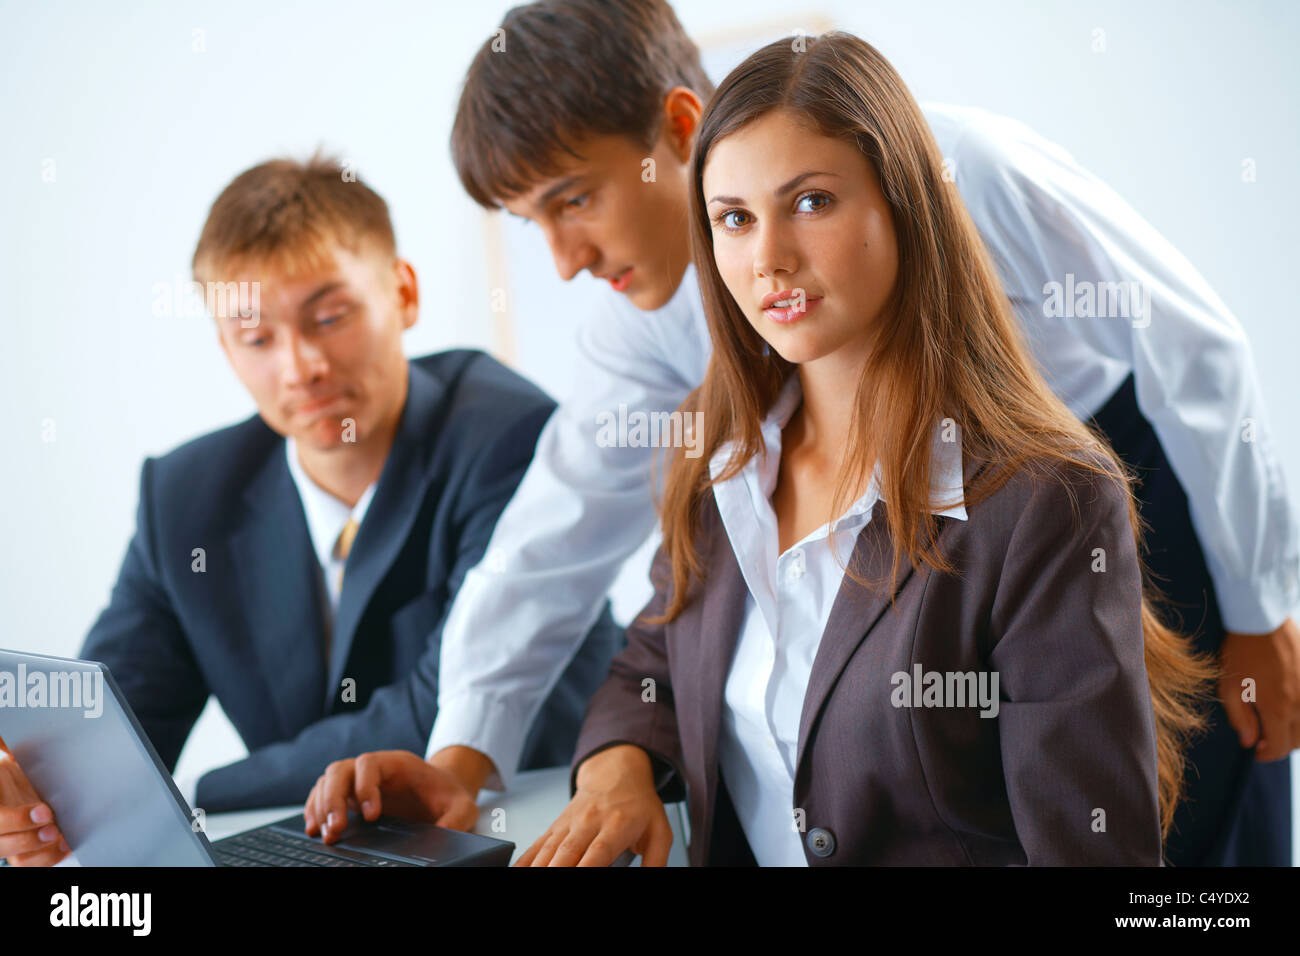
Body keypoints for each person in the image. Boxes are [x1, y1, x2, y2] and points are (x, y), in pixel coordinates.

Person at [308, 0, 1299, 866]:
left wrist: (1259, 604)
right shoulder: (663, 349)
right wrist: (461, 760)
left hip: (1125, 488)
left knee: (1211, 824)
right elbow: (549, 542)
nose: (563, 259)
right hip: (897, 546)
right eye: (533, 223)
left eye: (574, 198)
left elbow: (1192, 347)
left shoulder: (962, 167)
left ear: (678, 129)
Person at [513, 29, 1221, 866]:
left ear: (903, 203)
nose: (769, 258)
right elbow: (655, 662)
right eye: (734, 219)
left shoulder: (1046, 502)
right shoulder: (718, 468)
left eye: (811, 202)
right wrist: (615, 770)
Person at [0, 153, 620, 866]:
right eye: (257, 339)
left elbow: (435, 709)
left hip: (523, 833)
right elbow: (100, 727)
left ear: (404, 292)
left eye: (329, 317)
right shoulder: (185, 495)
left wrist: (188, 786)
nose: (300, 368)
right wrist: (36, 799)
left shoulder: (507, 436)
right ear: (225, 348)